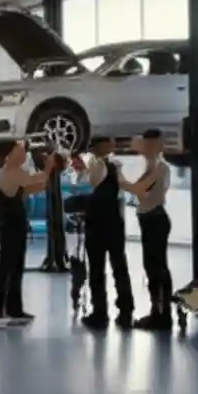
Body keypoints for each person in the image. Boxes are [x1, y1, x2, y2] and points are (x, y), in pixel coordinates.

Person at [0, 141, 55, 327]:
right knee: (6, 267)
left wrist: (44, 181)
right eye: (20, 150)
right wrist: (49, 166)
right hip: (7, 224)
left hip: (15, 223)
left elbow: (25, 190)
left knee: (16, 266)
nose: (24, 153)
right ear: (9, 155)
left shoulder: (14, 173)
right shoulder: (8, 172)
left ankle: (14, 309)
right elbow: (36, 179)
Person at [70, 137, 136, 330]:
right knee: (119, 267)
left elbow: (91, 187)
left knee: (98, 270)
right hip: (114, 222)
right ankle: (125, 310)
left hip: (98, 224)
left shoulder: (97, 164)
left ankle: (100, 313)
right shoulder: (114, 166)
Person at [126, 129, 173, 330]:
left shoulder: (160, 168)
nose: (143, 148)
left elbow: (139, 190)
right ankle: (157, 311)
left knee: (158, 268)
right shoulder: (150, 166)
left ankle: (163, 314)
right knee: (152, 267)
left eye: (147, 144)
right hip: (148, 219)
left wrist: (122, 181)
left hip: (156, 219)